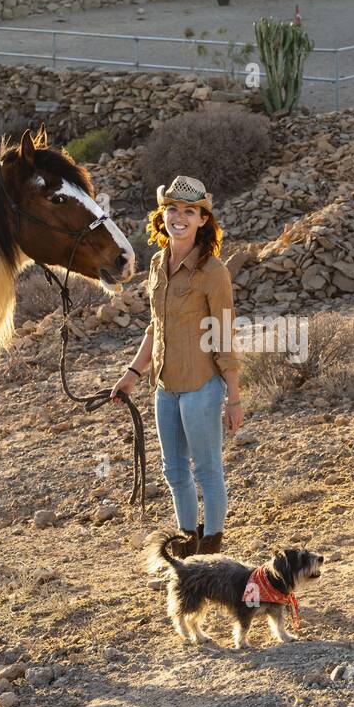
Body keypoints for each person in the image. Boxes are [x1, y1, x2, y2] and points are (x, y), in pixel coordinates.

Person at [113, 176, 242, 557]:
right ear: (162, 214)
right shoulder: (156, 263)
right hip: (164, 386)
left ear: (203, 219)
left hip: (203, 386)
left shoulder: (214, 272)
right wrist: (133, 374)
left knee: (207, 471)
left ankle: (212, 554)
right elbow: (157, 325)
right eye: (172, 209)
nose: (179, 217)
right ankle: (188, 550)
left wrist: (233, 398)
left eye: (189, 211)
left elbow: (223, 335)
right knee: (174, 472)